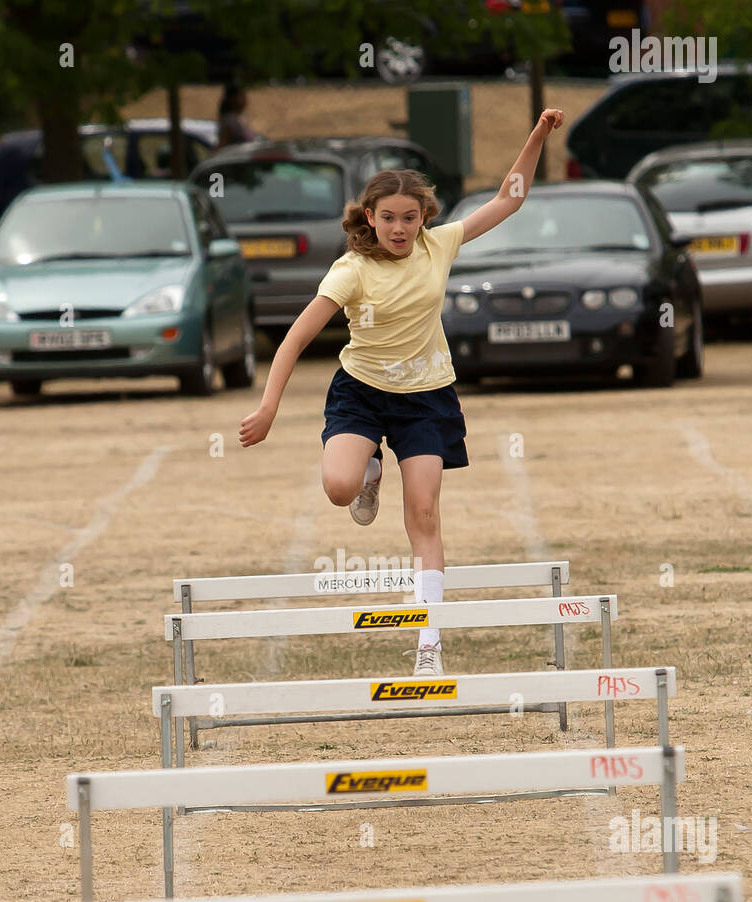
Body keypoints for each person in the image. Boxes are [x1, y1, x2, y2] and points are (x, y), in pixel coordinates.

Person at [239, 108, 564, 677]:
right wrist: (268, 406)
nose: (398, 229)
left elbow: (510, 199)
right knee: (338, 489)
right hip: (361, 393)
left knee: (425, 515)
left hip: (426, 397)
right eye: (387, 218)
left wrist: (536, 135)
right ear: (370, 216)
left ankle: (429, 644)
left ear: (422, 219)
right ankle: (367, 472)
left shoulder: (440, 246)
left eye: (409, 219)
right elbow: (294, 338)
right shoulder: (351, 269)